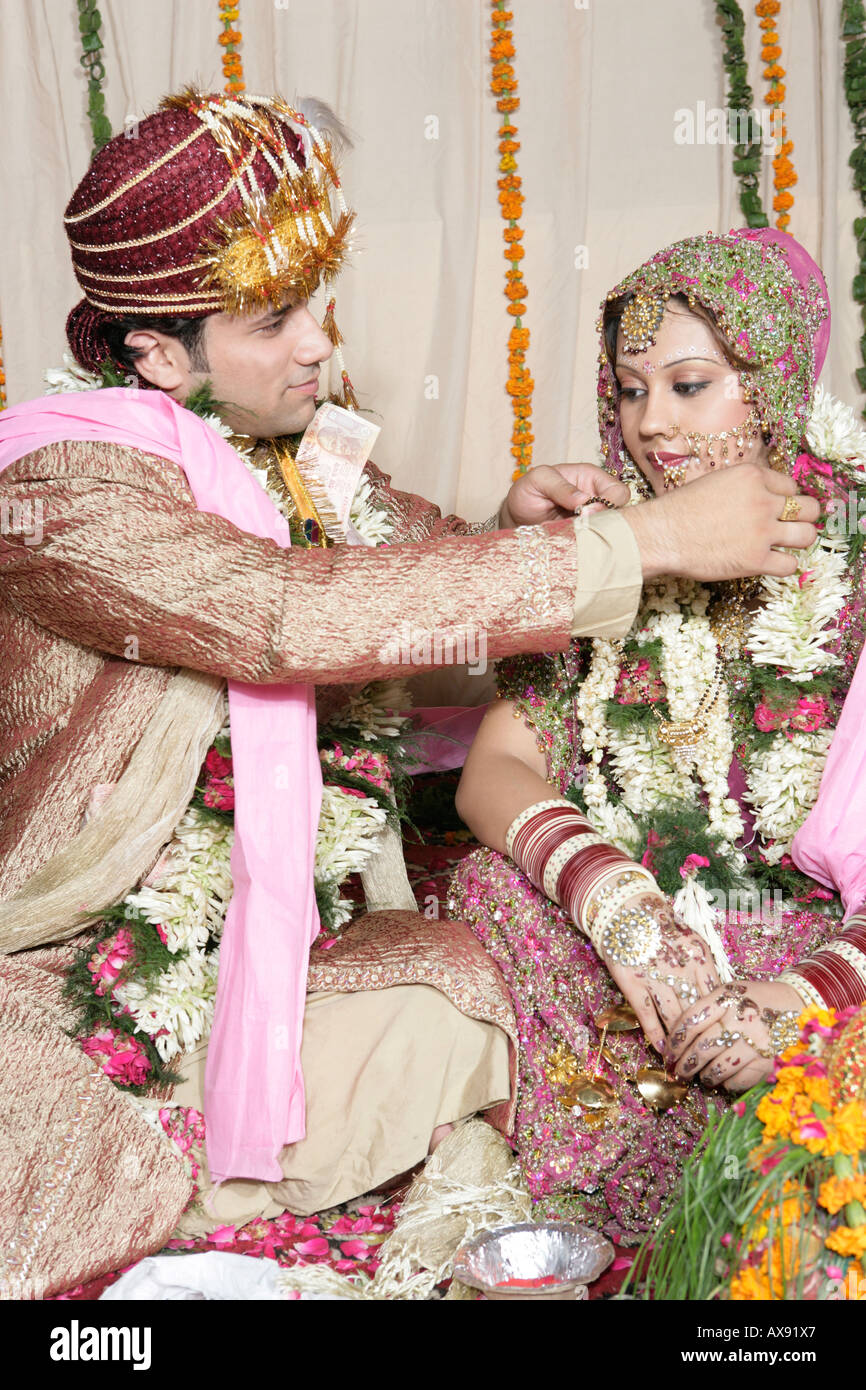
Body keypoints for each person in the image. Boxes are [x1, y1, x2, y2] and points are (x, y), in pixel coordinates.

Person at [0, 89, 818, 1296]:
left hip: (270, 951)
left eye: (316, 306)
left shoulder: (288, 450)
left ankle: (211, 1160)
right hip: (78, 963)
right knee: (55, 1180)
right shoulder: (68, 484)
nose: (318, 345)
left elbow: (396, 583)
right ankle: (159, 1171)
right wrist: (643, 544)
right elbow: (281, 616)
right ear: (157, 354)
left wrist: (512, 527)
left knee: (457, 987)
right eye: (273, 320)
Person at [450, 226, 866, 1241]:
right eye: (630, 390)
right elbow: (493, 765)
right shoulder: (608, 549)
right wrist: (618, 903)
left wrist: (798, 996)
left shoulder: (853, 561)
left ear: (768, 380)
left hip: (811, 937)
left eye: (688, 385)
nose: (651, 426)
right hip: (637, 948)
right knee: (486, 884)